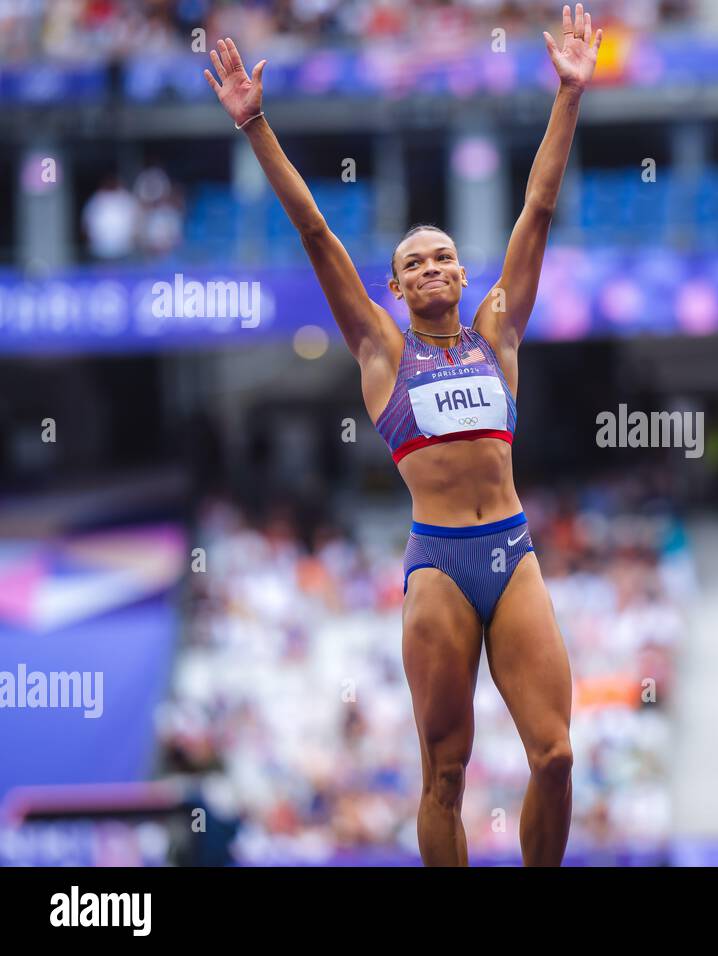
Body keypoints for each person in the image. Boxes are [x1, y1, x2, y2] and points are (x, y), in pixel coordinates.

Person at [203, 4, 602, 866]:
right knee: (445, 778)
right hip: (439, 568)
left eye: (441, 257)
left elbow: (536, 209)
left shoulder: (499, 329)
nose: (429, 267)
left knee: (559, 754)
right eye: (411, 262)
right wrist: (255, 124)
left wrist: (568, 95)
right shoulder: (382, 349)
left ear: (463, 273)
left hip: (512, 550)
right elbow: (315, 231)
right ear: (393, 285)